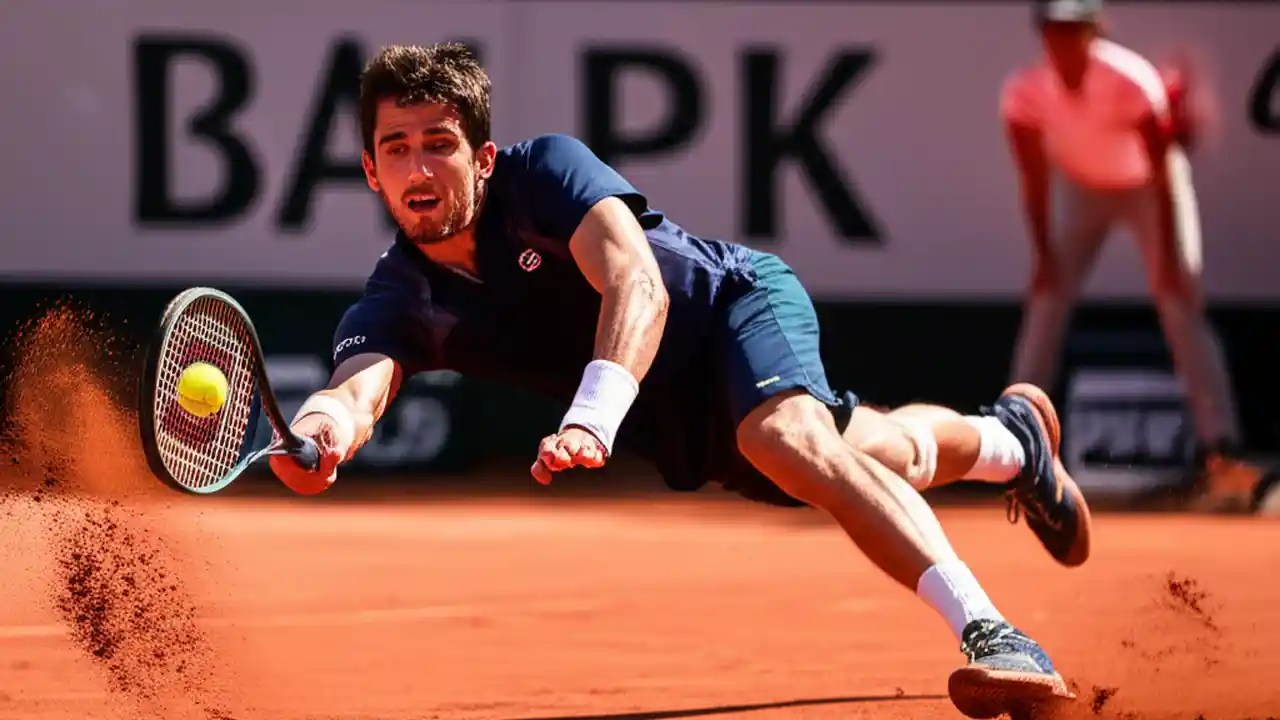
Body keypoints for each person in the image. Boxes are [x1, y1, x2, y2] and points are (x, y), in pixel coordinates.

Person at [271, 42, 1089, 718]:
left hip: (730, 305)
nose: (419, 168)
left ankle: (994, 634)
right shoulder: (401, 297)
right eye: (396, 148)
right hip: (677, 420)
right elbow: (354, 390)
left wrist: (592, 417)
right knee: (877, 456)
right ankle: (1010, 442)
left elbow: (637, 284)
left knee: (786, 437)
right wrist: (318, 436)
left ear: (482, 157)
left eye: (439, 144)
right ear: (370, 171)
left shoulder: (544, 173)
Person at [1000, 0, 1266, 510]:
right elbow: (1034, 180)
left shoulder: (1131, 80)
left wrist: (1167, 255)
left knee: (1178, 302)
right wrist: (1043, 254)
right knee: (1045, 299)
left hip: (1149, 190)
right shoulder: (1024, 93)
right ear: (1042, 34)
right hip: (1080, 191)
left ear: (1095, 29)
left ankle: (1221, 451)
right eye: (1054, 29)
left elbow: (1164, 173)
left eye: (1074, 28)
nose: (1063, 39)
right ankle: (1013, 439)